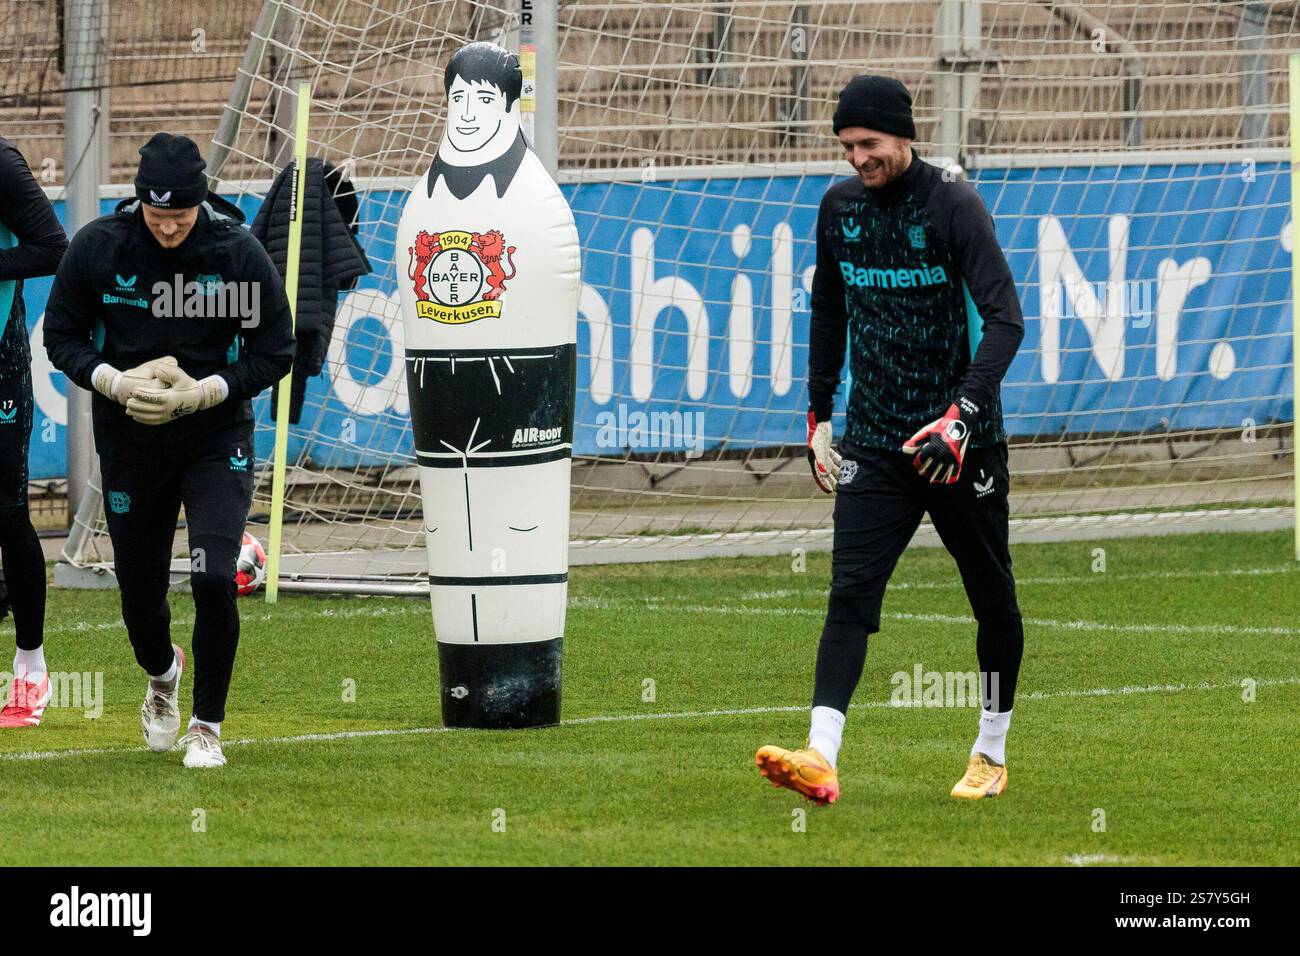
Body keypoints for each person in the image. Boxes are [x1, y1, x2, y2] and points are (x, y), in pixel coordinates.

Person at [755, 76, 1026, 803]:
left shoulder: (954, 207)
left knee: (992, 600)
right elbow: (827, 315)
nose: (856, 159)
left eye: (868, 145)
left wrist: (963, 416)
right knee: (850, 596)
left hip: (958, 442)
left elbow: (1006, 322)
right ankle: (821, 754)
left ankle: (990, 753)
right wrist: (818, 421)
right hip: (875, 442)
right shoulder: (838, 209)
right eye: (846, 146)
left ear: (905, 135)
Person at [44, 133, 294, 767]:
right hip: (130, 439)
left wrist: (203, 393)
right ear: (138, 205)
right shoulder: (99, 248)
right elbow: (62, 336)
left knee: (213, 578)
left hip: (214, 435)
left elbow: (277, 348)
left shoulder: (235, 252)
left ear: (200, 203)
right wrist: (113, 381)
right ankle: (162, 675)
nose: (169, 228)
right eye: (157, 218)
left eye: (180, 217)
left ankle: (207, 726)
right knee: (139, 597)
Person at [0, 135, 68, 727]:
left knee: (7, 513)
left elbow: (53, 248)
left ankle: (31, 670)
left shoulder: (1, 163)